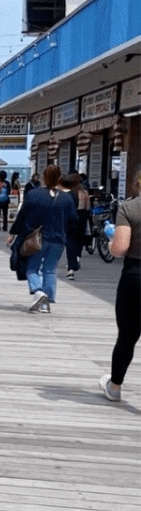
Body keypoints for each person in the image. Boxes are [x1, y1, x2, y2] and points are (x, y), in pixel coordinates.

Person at [6, 164, 77, 313]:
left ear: (43, 177)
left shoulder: (33, 194)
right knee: (50, 270)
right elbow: (74, 220)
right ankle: (45, 304)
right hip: (58, 239)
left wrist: (13, 233)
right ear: (59, 178)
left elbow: (22, 216)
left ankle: (38, 292)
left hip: (37, 238)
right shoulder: (67, 198)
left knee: (32, 268)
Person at [102, 172, 141, 401]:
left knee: (127, 335)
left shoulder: (130, 208)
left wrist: (111, 241)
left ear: (137, 184)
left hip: (136, 275)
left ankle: (115, 387)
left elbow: (120, 248)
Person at [57, 173, 86, 279]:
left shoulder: (58, 195)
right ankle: (71, 270)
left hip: (59, 224)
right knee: (71, 246)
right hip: (72, 223)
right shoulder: (73, 194)